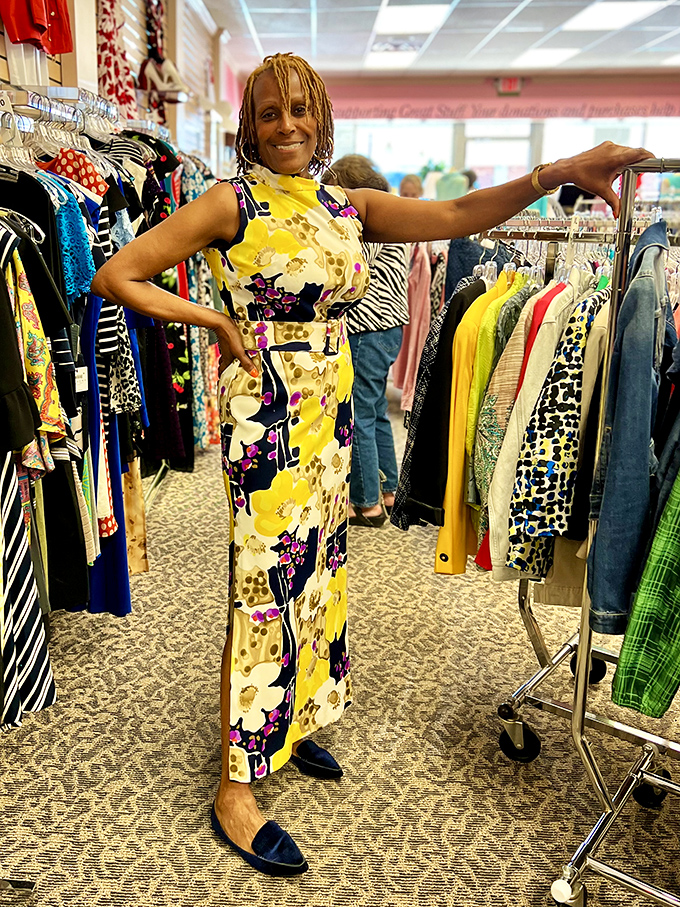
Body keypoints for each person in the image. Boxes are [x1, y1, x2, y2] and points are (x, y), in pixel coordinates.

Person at [92, 51, 653, 878]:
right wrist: (211, 319)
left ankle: (290, 723)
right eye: (271, 112)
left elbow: (461, 211)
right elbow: (118, 273)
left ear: (322, 119)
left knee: (318, 573)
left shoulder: (343, 205)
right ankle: (234, 784)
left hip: (332, 407)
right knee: (263, 586)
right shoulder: (228, 203)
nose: (288, 126)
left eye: (301, 111)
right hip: (270, 412)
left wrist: (559, 170)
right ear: (251, 124)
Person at [323, 154, 409, 527]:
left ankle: (366, 502)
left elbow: (352, 269)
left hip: (367, 329)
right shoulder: (391, 216)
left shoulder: (366, 223)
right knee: (374, 411)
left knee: (358, 414)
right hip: (389, 329)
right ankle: (387, 490)